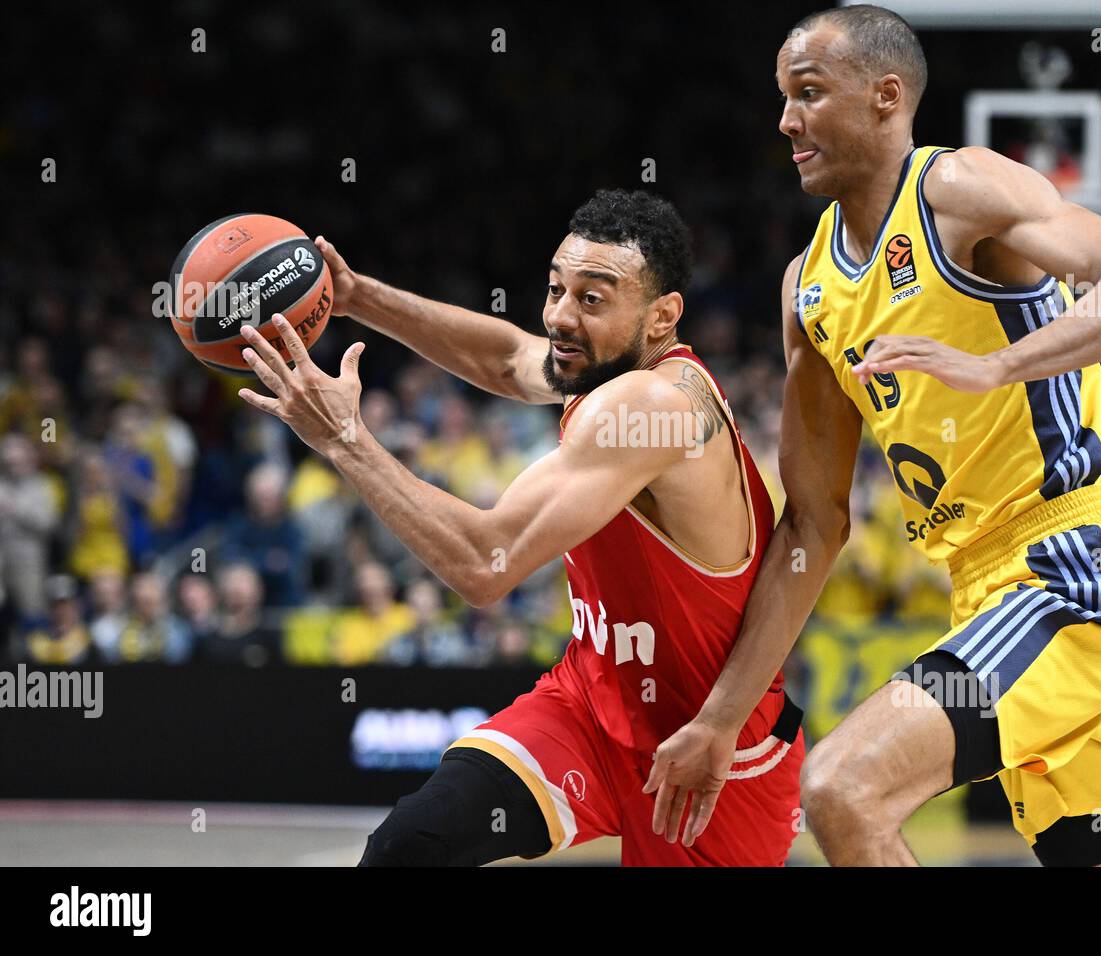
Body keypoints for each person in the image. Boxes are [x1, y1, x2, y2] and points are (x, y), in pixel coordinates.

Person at [646, 5, 1101, 867]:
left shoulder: (958, 189)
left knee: (842, 788)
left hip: (1070, 568)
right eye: (783, 98)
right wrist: (718, 721)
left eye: (809, 94)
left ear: (885, 96)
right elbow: (812, 528)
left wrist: (998, 366)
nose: (786, 120)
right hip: (979, 591)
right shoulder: (809, 288)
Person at [236, 189, 804, 866]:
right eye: (556, 289)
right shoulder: (605, 366)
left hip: (711, 747)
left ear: (662, 317)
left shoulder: (654, 406)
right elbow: (506, 359)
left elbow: (486, 563)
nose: (561, 315)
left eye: (591, 299)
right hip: (590, 710)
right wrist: (358, 297)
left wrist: (345, 440)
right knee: (412, 843)